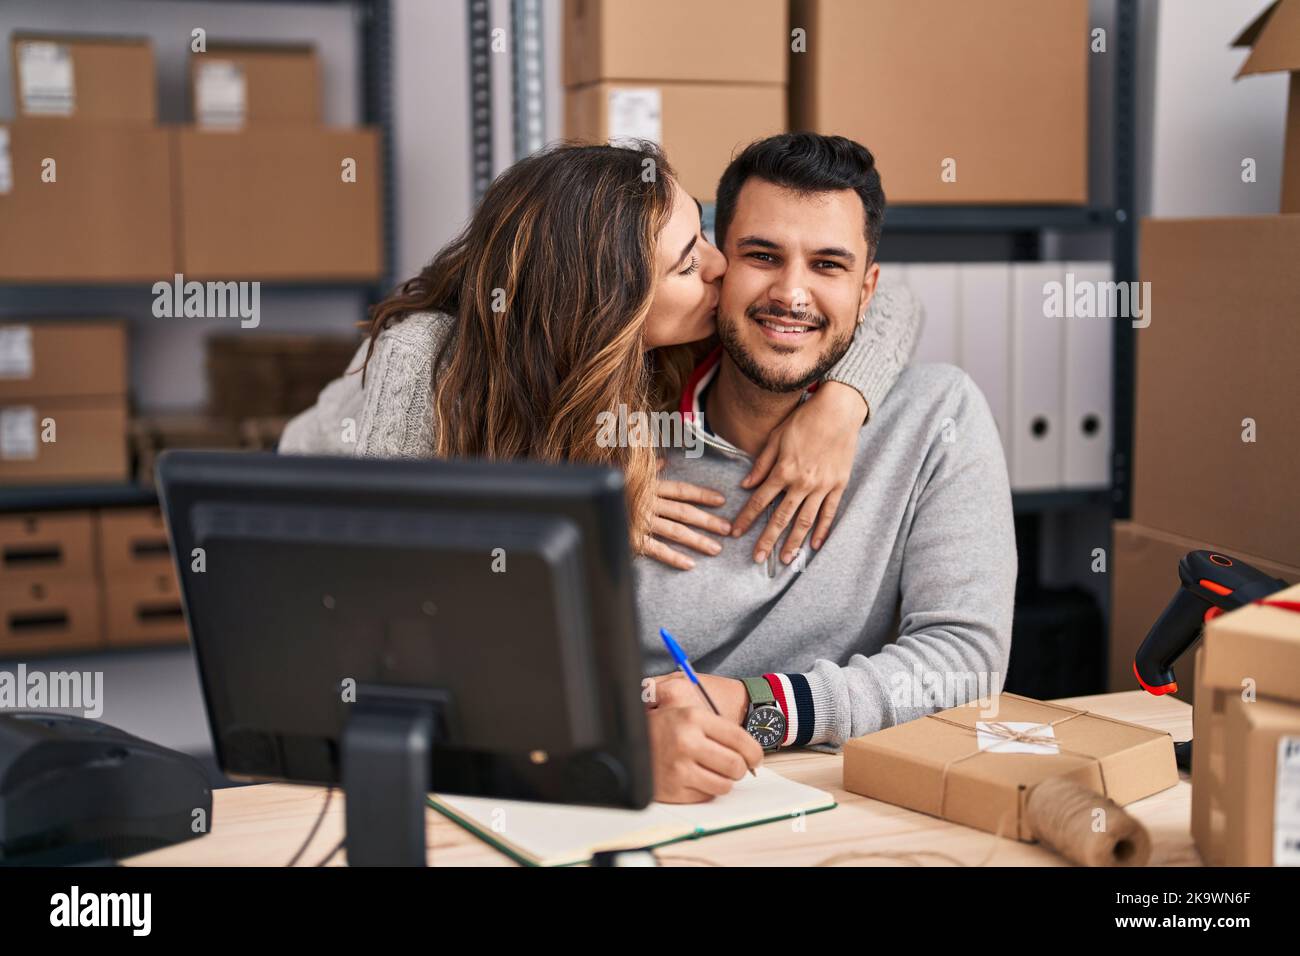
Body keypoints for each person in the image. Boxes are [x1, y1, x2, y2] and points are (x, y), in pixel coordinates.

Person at [279, 142, 920, 570]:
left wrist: (840, 406)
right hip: (306, 530)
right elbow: (397, 557)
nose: (721, 265)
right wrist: (574, 515)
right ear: (610, 308)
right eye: (686, 261)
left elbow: (890, 300)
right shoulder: (424, 359)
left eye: (698, 231)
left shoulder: (670, 322)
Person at [637, 133, 1017, 803]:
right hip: (634, 801)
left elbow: (965, 660)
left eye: (828, 266)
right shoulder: (614, 422)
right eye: (762, 256)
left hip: (836, 804)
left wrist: (760, 706)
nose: (792, 293)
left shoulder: (936, 417)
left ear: (867, 289)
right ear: (719, 267)